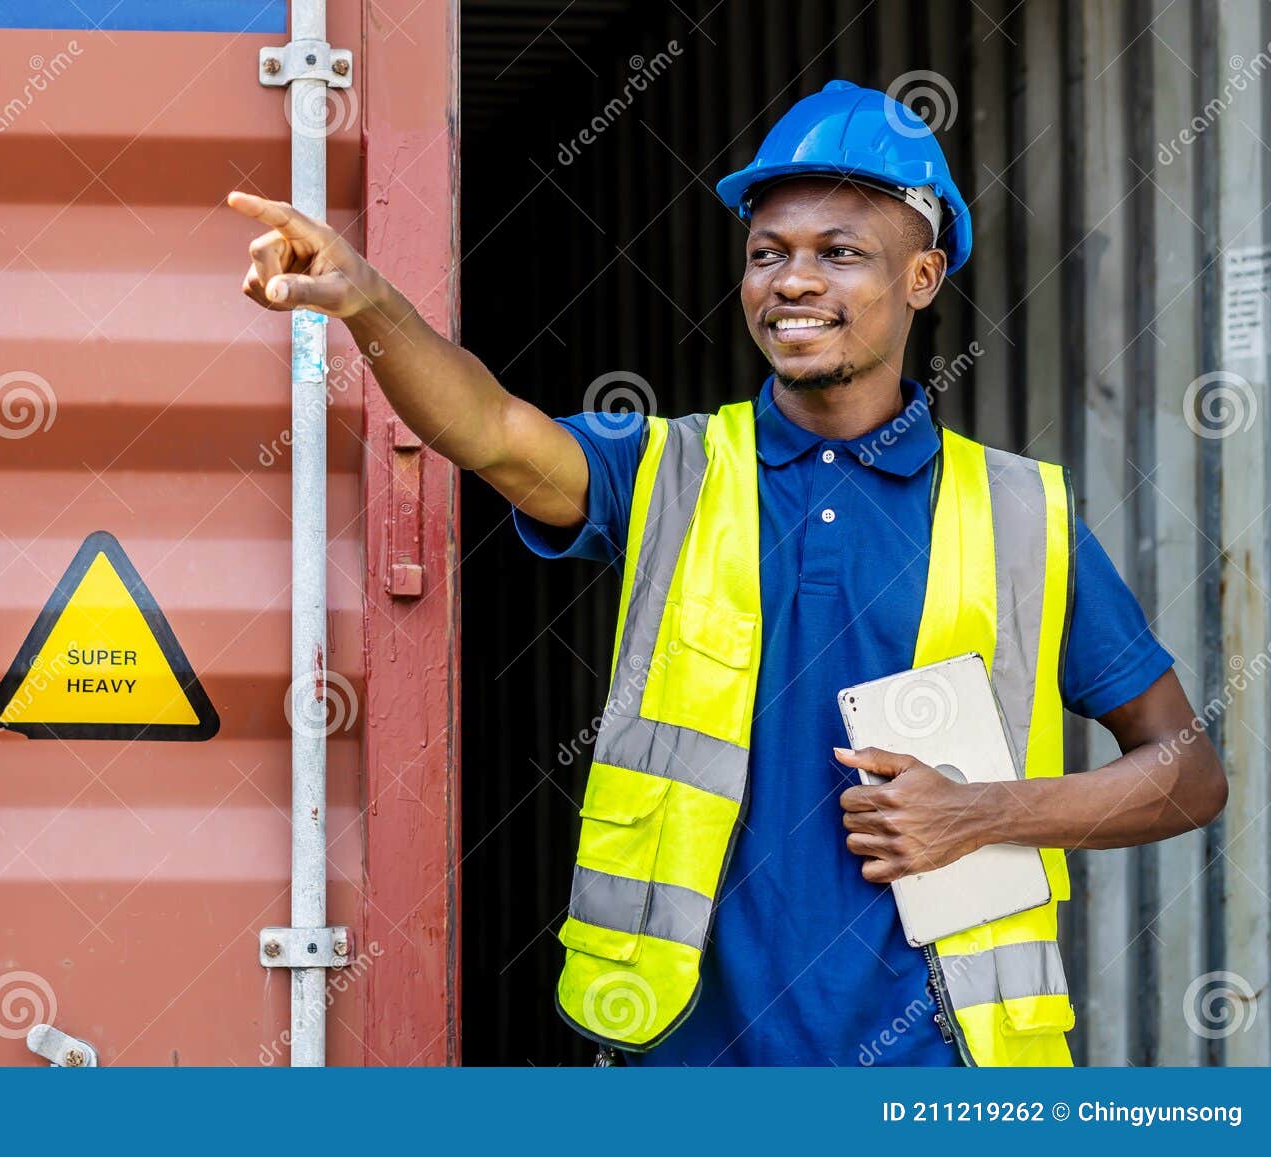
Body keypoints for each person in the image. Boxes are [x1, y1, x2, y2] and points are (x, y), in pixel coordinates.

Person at [228, 79, 1227, 1067]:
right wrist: (367, 302)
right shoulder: (666, 470)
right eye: (767, 254)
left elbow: (1186, 772)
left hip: (937, 1069)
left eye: (839, 253)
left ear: (922, 277)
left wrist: (984, 813)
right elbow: (488, 428)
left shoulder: (1019, 514)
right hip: (695, 1065)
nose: (792, 281)